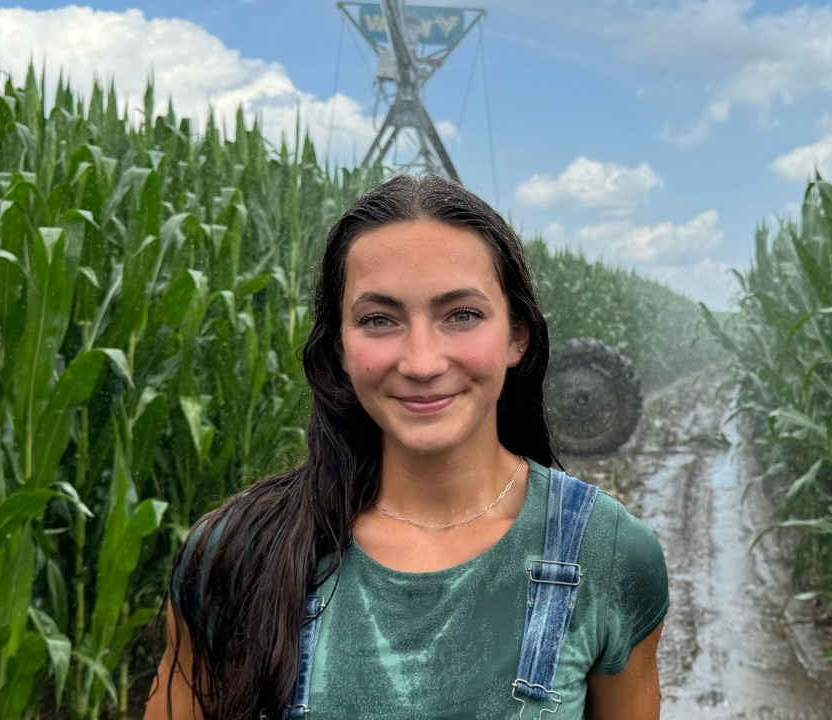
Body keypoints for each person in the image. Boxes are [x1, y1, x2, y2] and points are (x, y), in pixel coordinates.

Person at [146, 175, 668, 720]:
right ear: (340, 348)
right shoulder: (237, 554)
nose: (421, 362)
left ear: (517, 335)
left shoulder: (609, 556)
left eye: (462, 314)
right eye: (379, 320)